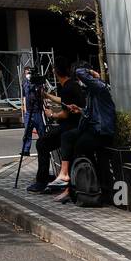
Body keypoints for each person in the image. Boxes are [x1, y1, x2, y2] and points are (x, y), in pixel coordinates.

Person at [46, 64, 117, 203]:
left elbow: (80, 71)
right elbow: (92, 113)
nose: (80, 81)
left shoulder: (99, 87)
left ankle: (78, 185)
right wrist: (79, 109)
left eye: (81, 79)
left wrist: (92, 72)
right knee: (67, 137)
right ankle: (66, 176)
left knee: (78, 146)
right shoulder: (92, 91)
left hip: (101, 132)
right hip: (93, 128)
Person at [26, 58, 86, 193]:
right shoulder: (72, 85)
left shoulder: (67, 88)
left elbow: (64, 114)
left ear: (56, 71)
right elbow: (64, 101)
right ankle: (46, 178)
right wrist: (47, 96)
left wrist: (51, 114)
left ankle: (42, 181)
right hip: (76, 125)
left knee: (42, 143)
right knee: (44, 143)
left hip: (69, 127)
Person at [20, 66, 46, 156]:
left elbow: (42, 94)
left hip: (37, 111)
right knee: (27, 132)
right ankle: (26, 150)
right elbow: (24, 97)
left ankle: (45, 148)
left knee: (41, 131)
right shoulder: (24, 83)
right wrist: (24, 110)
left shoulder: (38, 83)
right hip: (29, 111)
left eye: (29, 73)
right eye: (27, 73)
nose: (28, 75)